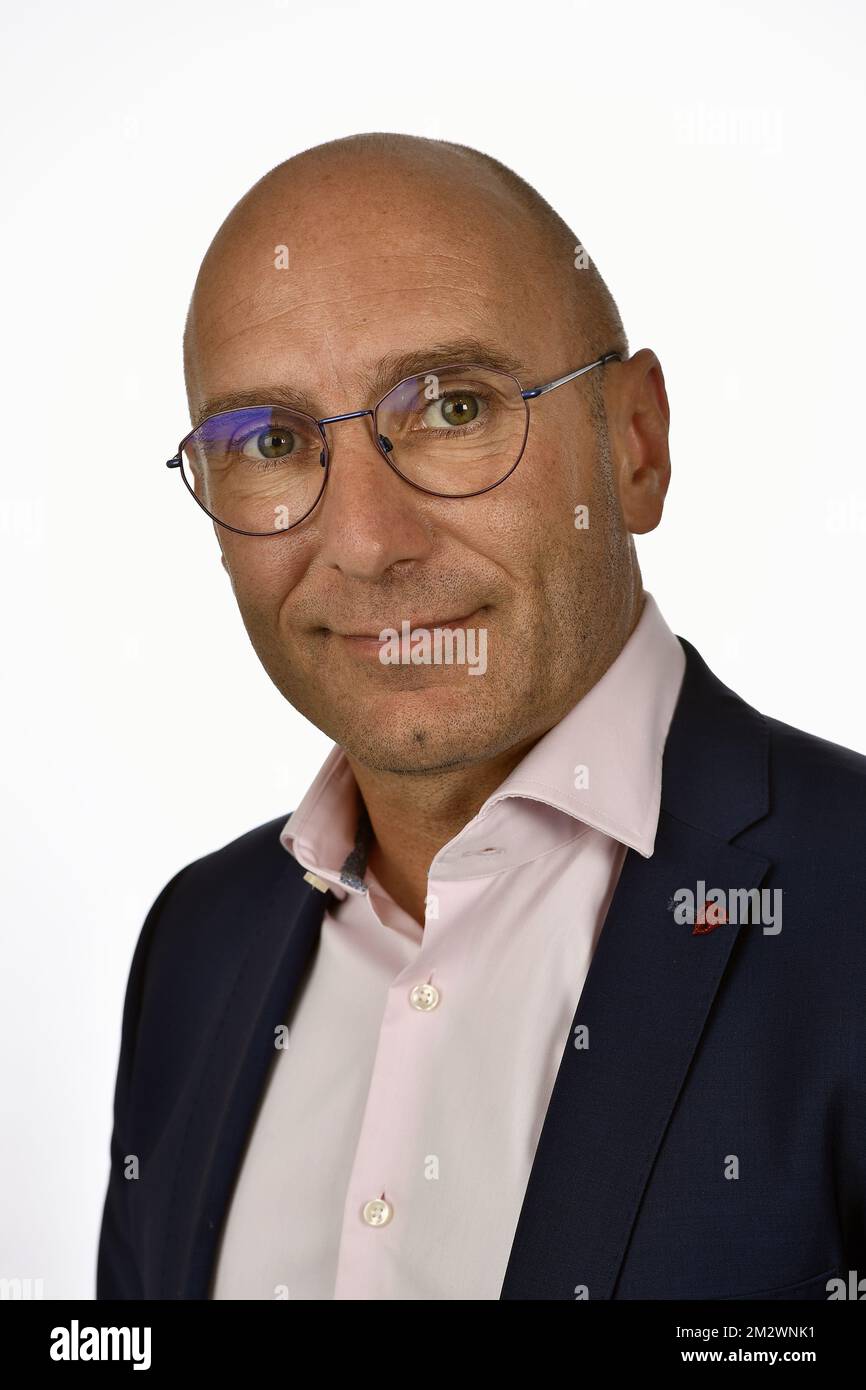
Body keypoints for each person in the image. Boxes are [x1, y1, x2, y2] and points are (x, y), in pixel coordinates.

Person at [96, 132, 866, 1301]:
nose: (364, 540)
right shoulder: (196, 945)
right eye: (269, 440)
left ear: (635, 443)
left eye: (453, 406)